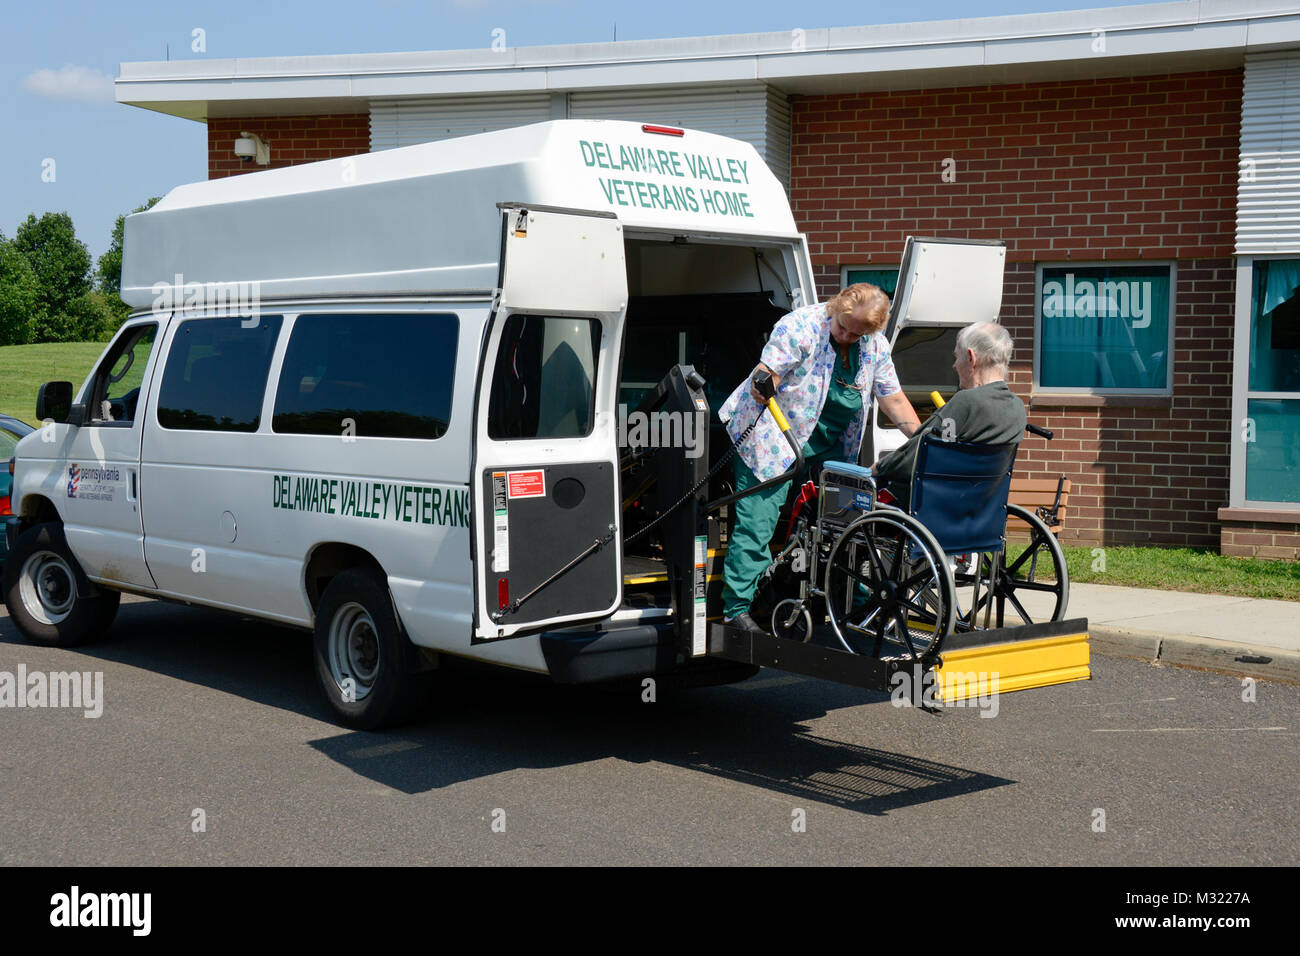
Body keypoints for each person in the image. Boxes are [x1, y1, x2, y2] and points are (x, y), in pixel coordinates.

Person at [718, 284, 922, 634]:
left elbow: (895, 400)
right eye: (843, 326)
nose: (846, 336)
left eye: (856, 333)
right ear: (838, 305)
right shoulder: (799, 326)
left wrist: (923, 441)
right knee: (758, 523)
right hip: (773, 437)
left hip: (830, 447)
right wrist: (763, 381)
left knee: (845, 521)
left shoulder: (873, 346)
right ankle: (737, 610)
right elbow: (766, 374)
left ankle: (855, 604)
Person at [873, 322, 1027, 510]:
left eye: (957, 356)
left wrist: (880, 467)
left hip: (936, 506)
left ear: (971, 358)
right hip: (978, 507)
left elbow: (920, 453)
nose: (954, 365)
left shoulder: (966, 402)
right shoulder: (1017, 407)